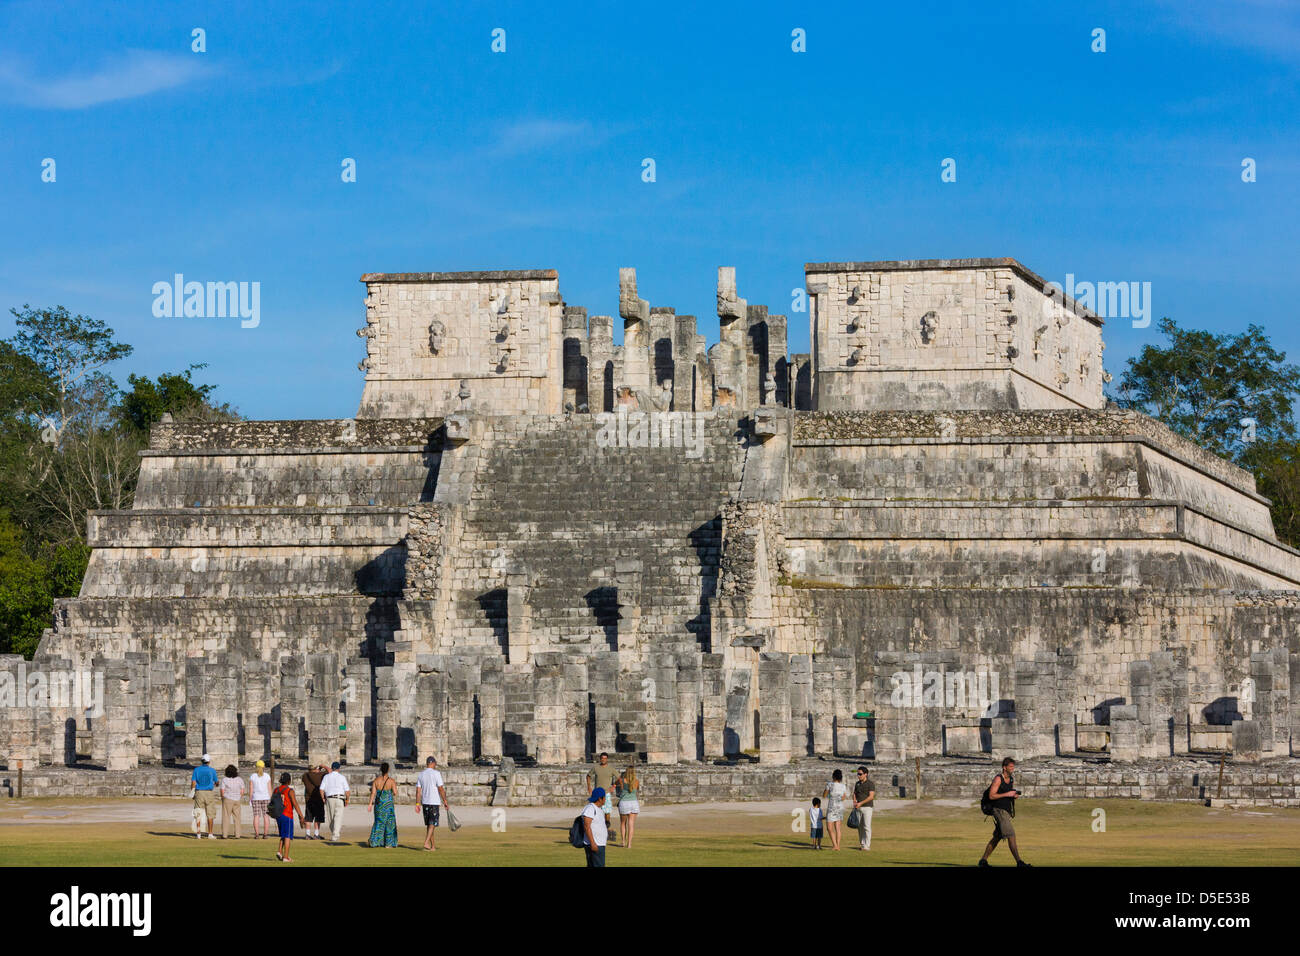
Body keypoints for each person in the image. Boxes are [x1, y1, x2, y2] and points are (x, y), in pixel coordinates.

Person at [979, 757, 1031, 867]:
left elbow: (1007, 794)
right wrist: (1007, 794)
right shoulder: (998, 779)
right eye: (1011, 766)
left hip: (1005, 812)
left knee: (997, 837)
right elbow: (992, 796)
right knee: (1011, 834)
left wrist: (1013, 795)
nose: (1013, 768)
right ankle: (1019, 862)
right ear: (1004, 767)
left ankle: (983, 861)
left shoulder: (1011, 779)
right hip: (998, 811)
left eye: (1013, 766)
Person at [415, 755, 451, 851]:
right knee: (432, 824)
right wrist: (445, 801)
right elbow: (441, 789)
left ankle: (433, 846)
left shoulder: (421, 774)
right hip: (434, 802)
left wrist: (417, 804)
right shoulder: (436, 773)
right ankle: (426, 842)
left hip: (425, 802)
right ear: (433, 763)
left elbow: (418, 791)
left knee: (429, 825)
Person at [586, 752, 620, 845]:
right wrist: (589, 786)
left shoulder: (611, 769)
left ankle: (607, 826)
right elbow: (588, 776)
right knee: (596, 810)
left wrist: (614, 785)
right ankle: (597, 827)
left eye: (605, 758)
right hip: (597, 793)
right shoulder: (596, 768)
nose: (603, 760)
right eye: (602, 758)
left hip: (606, 793)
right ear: (600, 759)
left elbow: (619, 778)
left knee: (607, 811)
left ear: (607, 759)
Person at [273, 772, 305, 863]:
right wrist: (301, 816)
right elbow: (295, 804)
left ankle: (279, 852)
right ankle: (286, 857)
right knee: (287, 836)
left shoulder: (276, 790)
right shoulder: (290, 791)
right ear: (289, 781)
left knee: (283, 834)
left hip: (278, 815)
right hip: (287, 815)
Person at [368, 762, 398, 848]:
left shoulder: (376, 781)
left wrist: (370, 804)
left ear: (381, 770)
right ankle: (388, 843)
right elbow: (395, 793)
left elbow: (373, 793)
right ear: (388, 770)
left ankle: (375, 842)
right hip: (388, 805)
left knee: (379, 822)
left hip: (379, 805)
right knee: (389, 823)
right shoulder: (391, 781)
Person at [190, 754, 220, 840]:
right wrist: (216, 784)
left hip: (199, 792)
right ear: (209, 761)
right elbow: (216, 782)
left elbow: (193, 782)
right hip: (209, 792)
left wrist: (193, 792)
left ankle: (198, 833)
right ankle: (210, 833)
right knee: (210, 813)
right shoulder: (212, 770)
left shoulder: (196, 770)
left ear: (201, 761)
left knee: (198, 812)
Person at [321, 761, 350, 843]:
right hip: (340, 798)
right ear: (339, 769)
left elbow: (321, 789)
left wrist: (323, 798)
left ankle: (335, 835)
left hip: (330, 798)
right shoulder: (342, 777)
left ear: (332, 768)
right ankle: (335, 834)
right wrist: (347, 800)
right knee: (338, 817)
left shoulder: (326, 777)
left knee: (331, 818)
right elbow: (347, 791)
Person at [581, 787, 609, 867]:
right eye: (604, 797)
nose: (605, 799)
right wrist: (593, 843)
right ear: (600, 798)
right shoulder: (590, 808)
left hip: (599, 844)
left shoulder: (599, 809)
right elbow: (587, 826)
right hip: (594, 844)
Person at [822, 769, 847, 851]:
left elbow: (824, 795)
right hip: (839, 807)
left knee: (829, 828)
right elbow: (843, 798)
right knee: (838, 828)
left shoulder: (829, 784)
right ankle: (837, 845)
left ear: (833, 776)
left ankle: (835, 845)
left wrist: (829, 794)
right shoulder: (843, 786)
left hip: (832, 807)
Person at [301, 761, 327, 840]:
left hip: (309, 799)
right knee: (318, 817)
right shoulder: (321, 775)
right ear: (316, 769)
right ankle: (316, 834)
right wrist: (324, 766)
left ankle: (307, 834)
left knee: (308, 817)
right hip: (318, 798)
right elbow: (330, 772)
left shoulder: (305, 775)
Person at [851, 766, 875, 851]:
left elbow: (871, 796)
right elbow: (854, 793)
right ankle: (862, 844)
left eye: (860, 774)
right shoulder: (857, 783)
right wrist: (854, 800)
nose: (858, 775)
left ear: (866, 774)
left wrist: (861, 803)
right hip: (858, 808)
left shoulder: (870, 784)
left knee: (867, 826)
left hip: (867, 807)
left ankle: (867, 845)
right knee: (859, 827)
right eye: (858, 774)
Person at [219, 765, 245, 839]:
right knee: (237, 818)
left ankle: (224, 834)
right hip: (237, 799)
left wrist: (223, 798)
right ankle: (237, 834)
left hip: (227, 798)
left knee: (226, 817)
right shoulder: (240, 779)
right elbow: (242, 791)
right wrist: (239, 796)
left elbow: (222, 791)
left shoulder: (225, 780)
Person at [618, 765, 640, 848]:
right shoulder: (637, 781)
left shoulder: (622, 780)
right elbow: (636, 790)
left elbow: (618, 787)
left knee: (623, 823)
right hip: (633, 803)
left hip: (624, 802)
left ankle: (623, 841)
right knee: (631, 824)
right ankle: (629, 844)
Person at [248, 759, 272, 839]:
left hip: (256, 798)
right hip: (266, 797)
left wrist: (250, 799)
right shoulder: (267, 776)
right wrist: (271, 798)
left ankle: (257, 834)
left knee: (256, 816)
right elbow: (269, 788)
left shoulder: (253, 776)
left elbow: (251, 789)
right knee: (266, 816)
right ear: (263, 767)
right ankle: (265, 834)